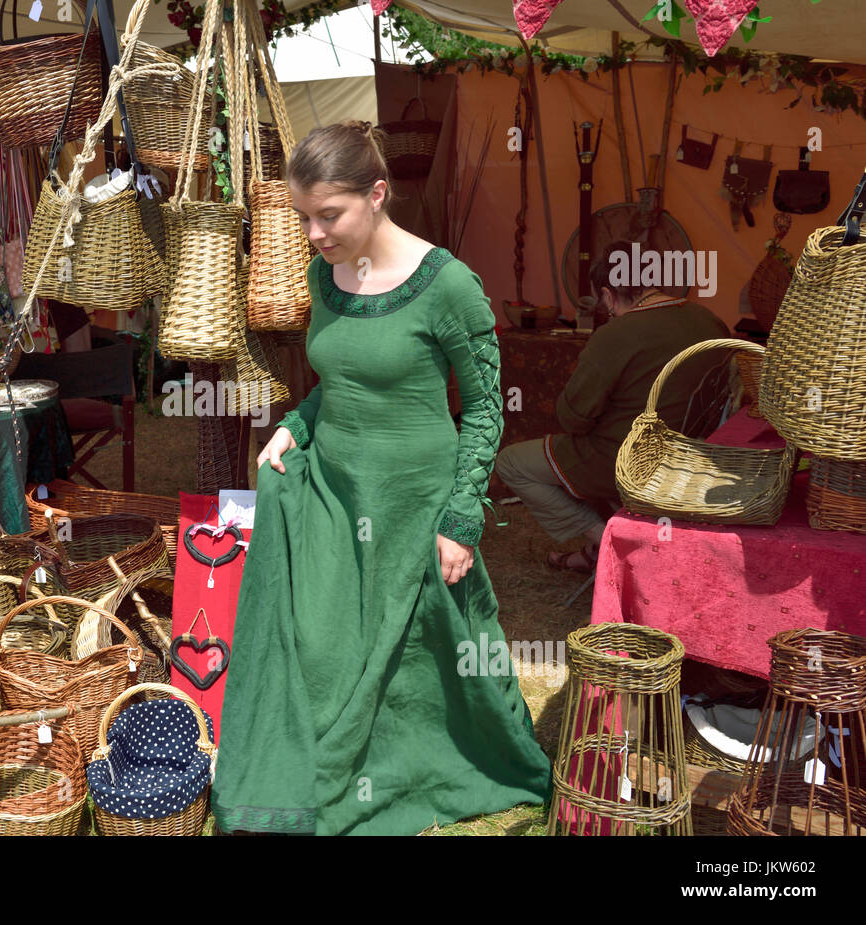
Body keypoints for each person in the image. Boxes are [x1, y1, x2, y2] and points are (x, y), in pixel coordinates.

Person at [211, 121, 552, 836]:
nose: (313, 233)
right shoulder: (322, 276)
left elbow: (486, 407)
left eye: (327, 214)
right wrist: (294, 426)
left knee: (427, 653)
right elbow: (337, 381)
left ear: (377, 193)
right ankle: (328, 757)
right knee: (328, 642)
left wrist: (463, 516)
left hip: (415, 500)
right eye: (304, 216)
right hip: (337, 491)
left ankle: (430, 763)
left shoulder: (449, 284)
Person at [494, 240, 731, 573]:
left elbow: (572, 418)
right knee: (572, 461)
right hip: (690, 457)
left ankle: (614, 546)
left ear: (607, 294)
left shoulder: (616, 333)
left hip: (624, 461)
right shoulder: (708, 320)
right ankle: (601, 549)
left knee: (512, 463)